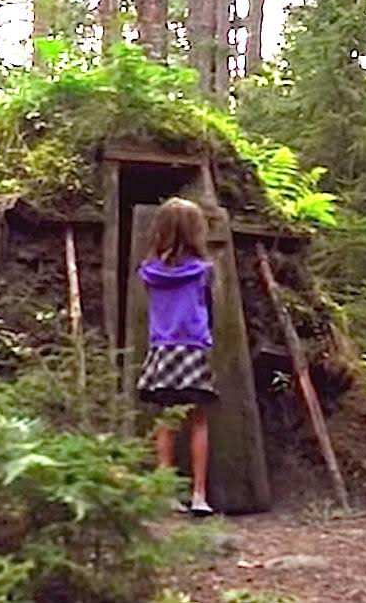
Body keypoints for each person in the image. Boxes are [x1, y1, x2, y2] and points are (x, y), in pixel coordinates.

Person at [136, 197, 217, 517]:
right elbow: (209, 308)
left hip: (163, 348)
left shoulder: (148, 272)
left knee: (166, 420)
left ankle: (166, 491)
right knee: (198, 420)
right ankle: (199, 494)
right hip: (194, 348)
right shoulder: (204, 272)